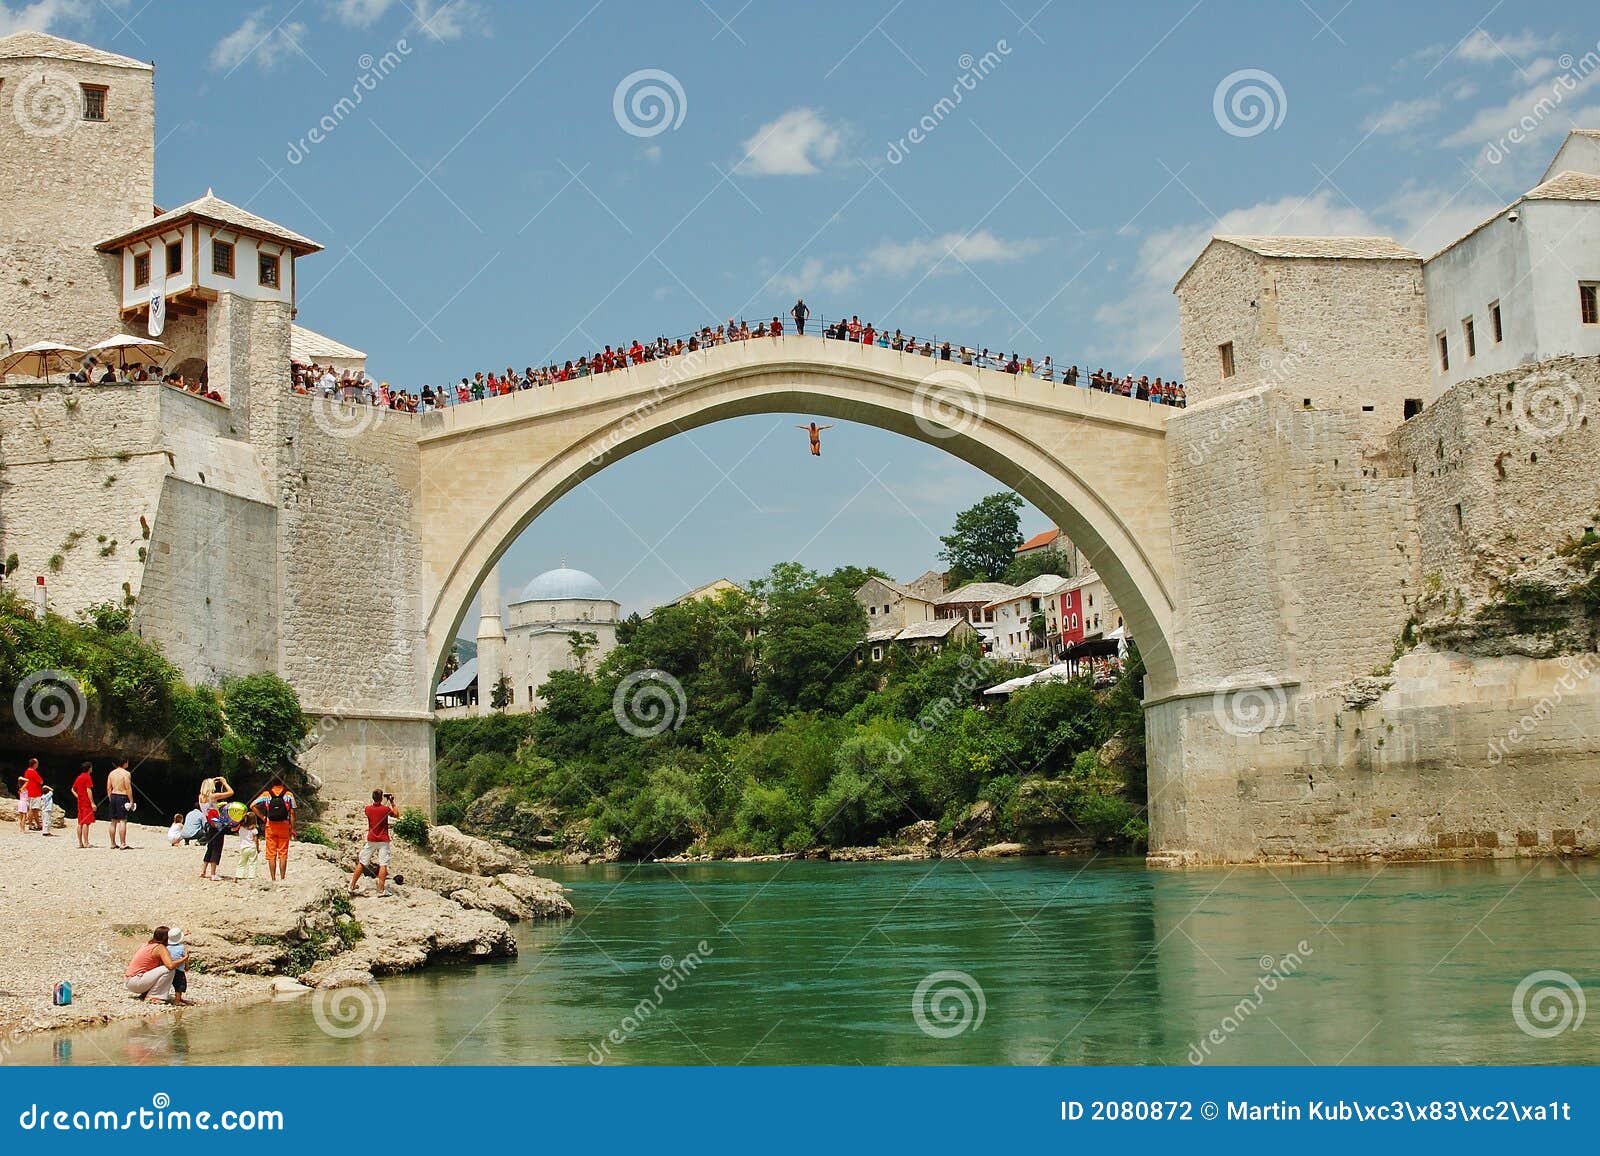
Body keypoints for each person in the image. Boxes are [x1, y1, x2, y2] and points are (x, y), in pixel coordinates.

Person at [350, 789, 399, 897]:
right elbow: (396, 814)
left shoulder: (368, 809)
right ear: (381, 798)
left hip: (371, 839)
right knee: (383, 864)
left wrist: (381, 804)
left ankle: (352, 885)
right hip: (383, 840)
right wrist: (392, 802)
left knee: (362, 862)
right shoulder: (385, 809)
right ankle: (381, 890)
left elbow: (375, 811)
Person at [251, 779, 296, 881]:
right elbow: (292, 813)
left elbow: (252, 805)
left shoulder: (266, 794)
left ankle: (273, 878)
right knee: (283, 853)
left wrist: (263, 817)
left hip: (270, 826)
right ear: (283, 782)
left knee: (271, 853)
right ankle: (283, 878)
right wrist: (292, 828)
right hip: (284, 825)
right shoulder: (289, 795)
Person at [125, 927, 178, 1003]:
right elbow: (170, 965)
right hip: (136, 982)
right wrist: (184, 958)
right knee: (169, 969)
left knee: (161, 967)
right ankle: (154, 996)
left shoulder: (147, 945)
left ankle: (146, 993)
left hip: (130, 981)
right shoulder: (159, 948)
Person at [106, 758, 133, 849]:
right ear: (124, 763)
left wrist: (110, 798)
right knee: (122, 820)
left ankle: (113, 843)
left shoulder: (111, 773)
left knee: (113, 821)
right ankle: (123, 843)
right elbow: (128, 787)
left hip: (113, 796)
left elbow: (109, 788)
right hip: (122, 796)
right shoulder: (126, 773)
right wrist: (131, 800)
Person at [22, 758, 50, 836]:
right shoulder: (33, 772)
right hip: (35, 793)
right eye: (37, 763)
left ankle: (35, 824)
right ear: (34, 764)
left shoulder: (27, 771)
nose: (38, 764)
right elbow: (41, 781)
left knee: (33, 809)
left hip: (29, 792)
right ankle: (33, 825)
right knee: (34, 809)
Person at [72, 761, 95, 848]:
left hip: (80, 802)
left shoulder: (79, 777)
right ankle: (86, 842)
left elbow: (72, 789)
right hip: (86, 802)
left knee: (80, 822)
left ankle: (80, 843)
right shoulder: (87, 777)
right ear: (89, 768)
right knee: (86, 822)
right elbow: (89, 790)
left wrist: (78, 797)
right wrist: (92, 803)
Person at [166, 927, 190, 1005]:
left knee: (173, 984)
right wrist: (186, 966)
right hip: (179, 970)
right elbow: (185, 958)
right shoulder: (182, 948)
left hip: (170, 969)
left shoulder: (167, 948)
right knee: (180, 985)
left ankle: (178, 998)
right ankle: (177, 1000)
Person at [236, 814, 260, 881]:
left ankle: (239, 875)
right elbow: (256, 840)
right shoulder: (254, 830)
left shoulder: (241, 828)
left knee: (242, 862)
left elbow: (234, 828)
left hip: (243, 847)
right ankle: (251, 876)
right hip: (252, 847)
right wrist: (258, 848)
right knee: (253, 862)